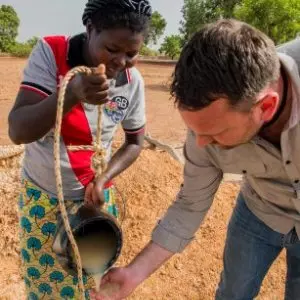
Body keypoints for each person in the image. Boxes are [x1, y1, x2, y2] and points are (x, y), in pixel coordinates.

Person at [95, 19, 300, 300]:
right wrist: (134, 273)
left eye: (216, 133)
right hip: (261, 209)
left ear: (266, 107)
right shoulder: (207, 128)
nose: (201, 143)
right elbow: (191, 203)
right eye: (195, 131)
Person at [8, 0, 152, 298]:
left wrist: (104, 177)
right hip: (44, 197)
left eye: (132, 53)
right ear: (90, 29)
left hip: (94, 203)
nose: (120, 62)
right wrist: (71, 93)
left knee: (91, 283)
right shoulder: (52, 53)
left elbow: (135, 142)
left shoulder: (131, 81)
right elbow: (18, 130)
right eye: (112, 50)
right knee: (46, 284)